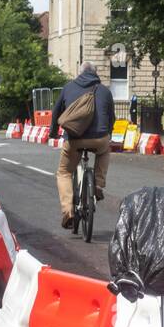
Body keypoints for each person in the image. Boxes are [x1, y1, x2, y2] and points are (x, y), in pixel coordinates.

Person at [52, 62, 115, 229]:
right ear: (96, 73)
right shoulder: (104, 91)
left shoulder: (68, 87)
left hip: (74, 139)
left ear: (79, 73)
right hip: (99, 138)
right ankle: (98, 184)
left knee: (64, 172)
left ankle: (68, 212)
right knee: (104, 151)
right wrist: (107, 133)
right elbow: (111, 118)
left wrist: (53, 133)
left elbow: (56, 112)